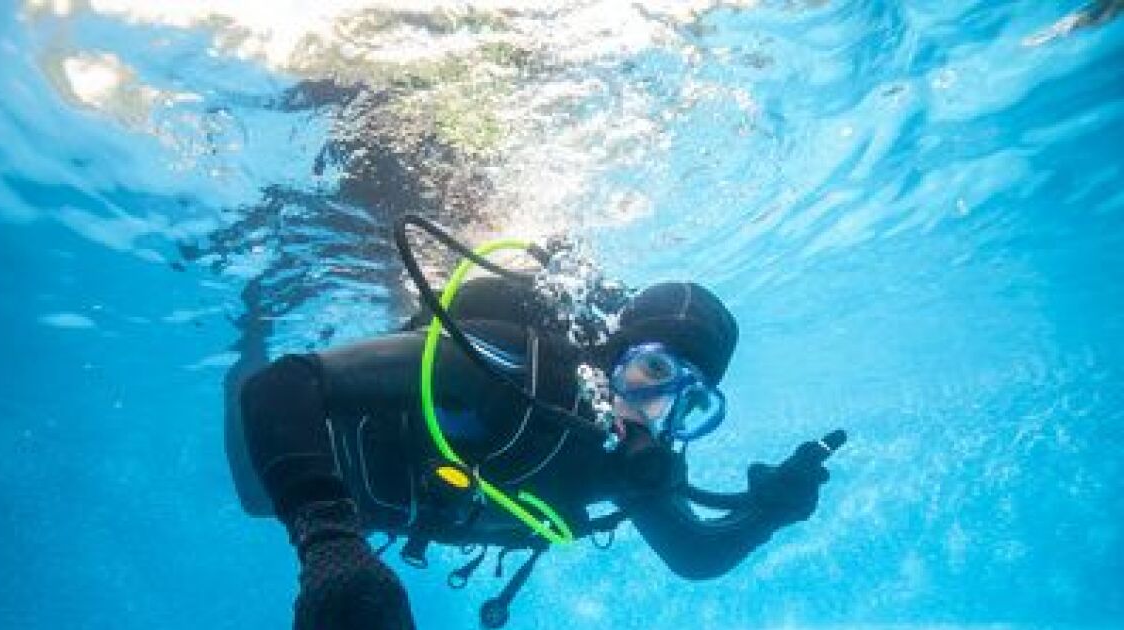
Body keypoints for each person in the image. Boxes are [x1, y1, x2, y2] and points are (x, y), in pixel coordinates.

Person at [232, 222, 844, 629]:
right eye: (650, 369)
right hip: (306, 466)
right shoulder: (504, 366)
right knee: (252, 472)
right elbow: (282, 387)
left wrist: (772, 512)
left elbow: (695, 555)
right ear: (610, 355)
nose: (652, 406)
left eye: (686, 400)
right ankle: (249, 326)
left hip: (379, 516)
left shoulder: (630, 465)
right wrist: (328, 539)